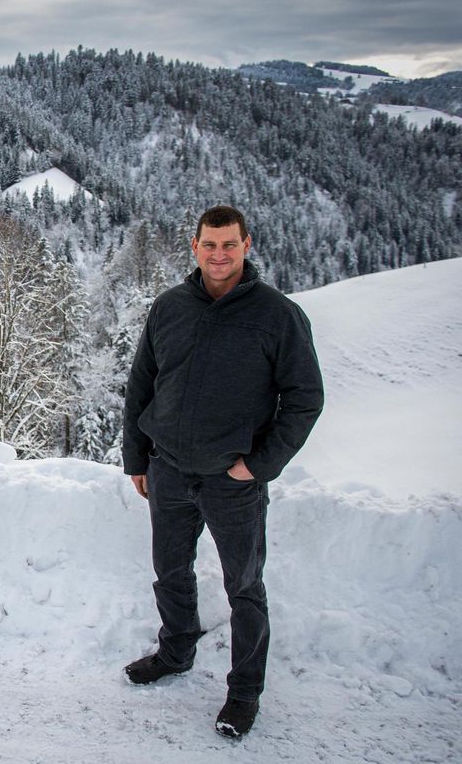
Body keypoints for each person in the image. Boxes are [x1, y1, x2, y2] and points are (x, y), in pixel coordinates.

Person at [121, 205, 323, 737]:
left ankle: (244, 692)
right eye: (209, 245)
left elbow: (304, 399)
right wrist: (136, 457)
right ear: (195, 247)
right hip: (167, 470)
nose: (219, 255)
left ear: (246, 245)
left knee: (244, 587)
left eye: (229, 245)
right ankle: (176, 652)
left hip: (232, 481)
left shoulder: (277, 316)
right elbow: (142, 385)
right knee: (171, 571)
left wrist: (258, 466)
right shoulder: (169, 308)